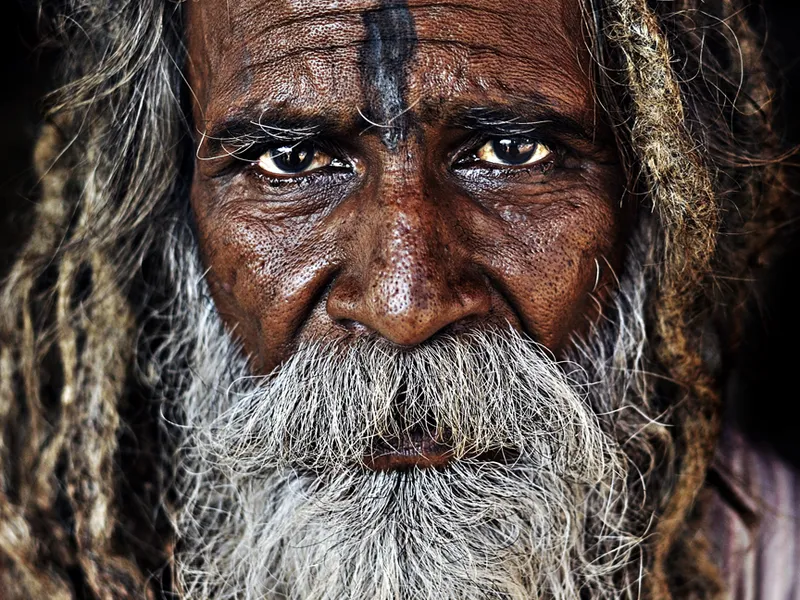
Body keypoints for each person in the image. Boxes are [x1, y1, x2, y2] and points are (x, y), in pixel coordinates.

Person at [0, 0, 797, 598]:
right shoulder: (47, 561)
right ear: (172, 221)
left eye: (512, 150)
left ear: (655, 201)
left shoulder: (768, 558)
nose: (405, 304)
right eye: (290, 161)